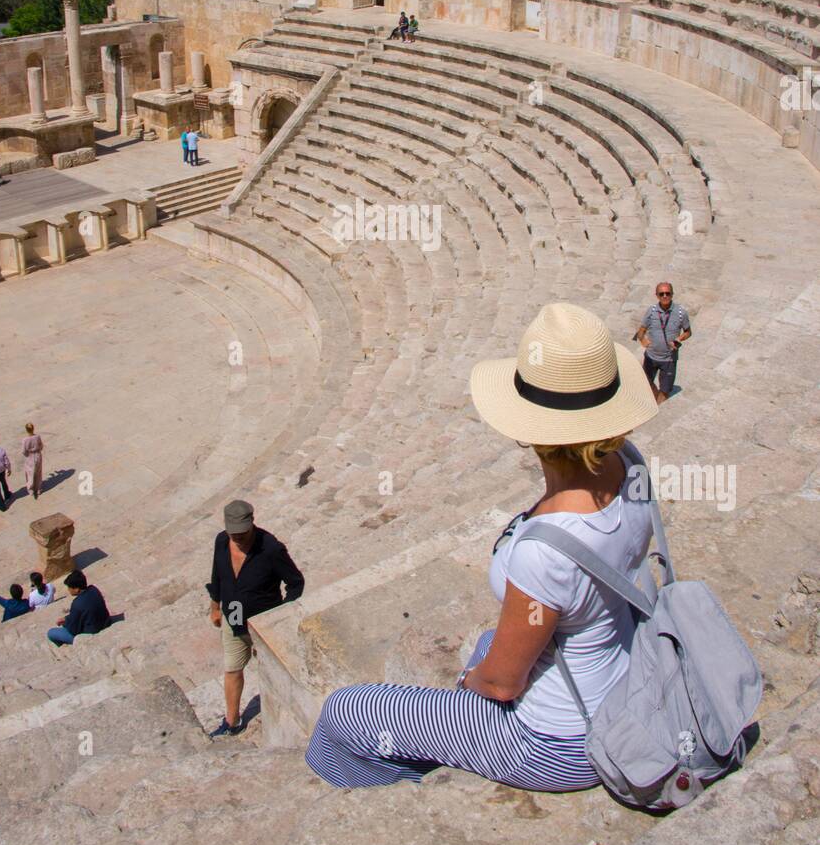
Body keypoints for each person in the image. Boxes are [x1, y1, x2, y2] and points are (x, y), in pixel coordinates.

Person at [305, 302, 660, 792]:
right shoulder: (631, 464)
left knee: (345, 712)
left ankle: (392, 801)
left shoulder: (546, 551)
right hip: (620, 681)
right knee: (486, 643)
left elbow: (501, 684)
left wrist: (468, 686)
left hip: (558, 742)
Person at [206, 498, 305, 738]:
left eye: (241, 533)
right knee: (232, 668)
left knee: (273, 667)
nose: (237, 538)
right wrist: (215, 605)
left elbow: (295, 583)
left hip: (263, 619)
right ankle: (231, 721)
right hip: (234, 614)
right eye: (233, 533)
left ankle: (285, 712)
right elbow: (218, 573)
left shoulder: (271, 549)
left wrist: (279, 616)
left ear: (252, 523)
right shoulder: (222, 540)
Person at [635, 282, 692, 404]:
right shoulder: (651, 311)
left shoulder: (681, 313)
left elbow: (688, 332)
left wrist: (679, 339)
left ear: (672, 294)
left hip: (669, 359)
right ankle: (656, 400)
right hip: (651, 357)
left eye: (668, 293)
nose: (665, 296)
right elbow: (641, 330)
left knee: (665, 390)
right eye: (661, 294)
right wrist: (642, 339)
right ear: (656, 295)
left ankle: (659, 406)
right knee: (646, 383)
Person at [46, 570, 110, 647]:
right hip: (105, 622)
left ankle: (65, 646)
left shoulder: (77, 604)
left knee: (51, 633)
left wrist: (66, 622)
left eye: (69, 587)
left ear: (77, 589)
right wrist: (67, 618)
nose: (68, 590)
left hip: (91, 633)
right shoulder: (94, 589)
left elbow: (73, 630)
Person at [21, 423, 43, 499]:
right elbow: (41, 446)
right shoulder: (37, 437)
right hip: (37, 455)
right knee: (38, 472)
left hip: (29, 457)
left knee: (30, 474)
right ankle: (39, 489)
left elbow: (24, 451)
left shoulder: (25, 440)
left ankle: (31, 489)